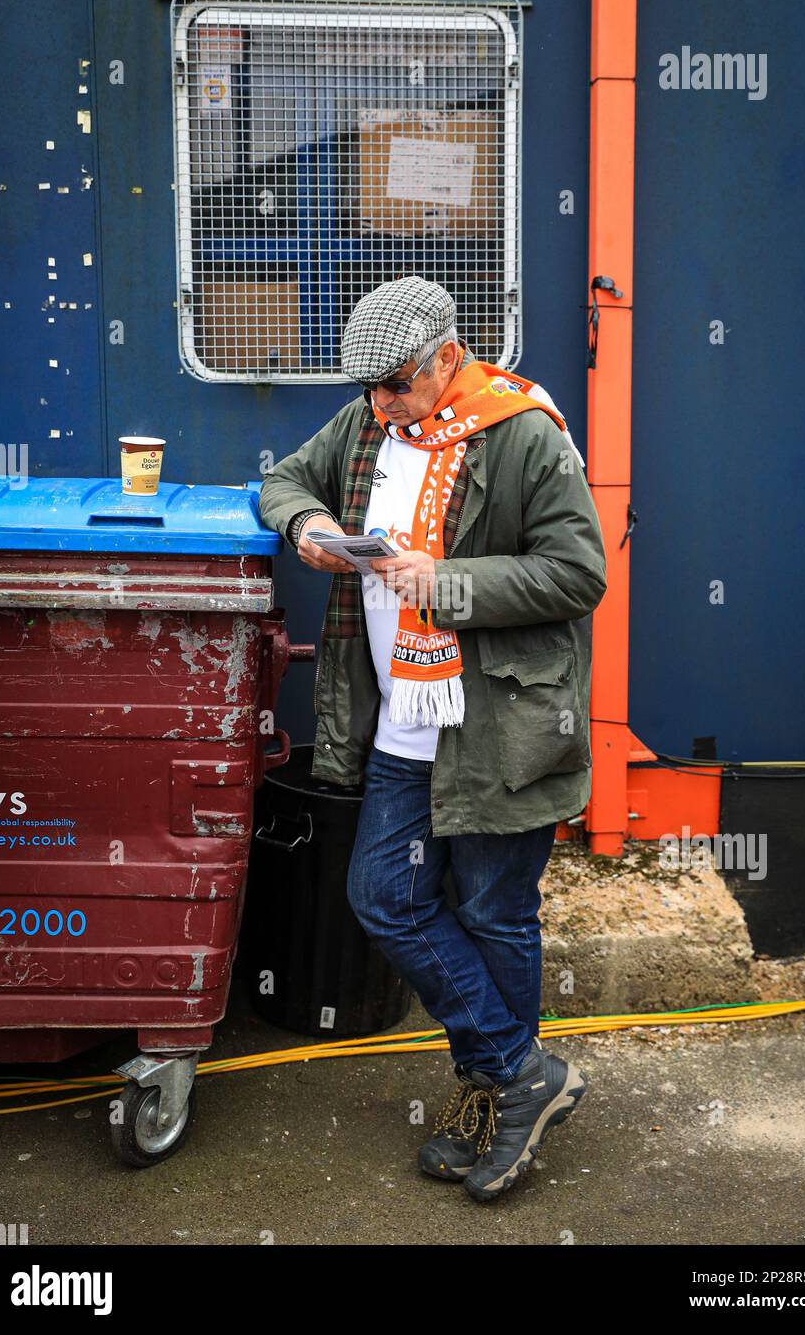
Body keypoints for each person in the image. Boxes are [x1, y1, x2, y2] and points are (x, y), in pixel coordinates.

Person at [258, 276, 606, 1202]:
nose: (379, 404)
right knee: (384, 896)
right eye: (368, 387)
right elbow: (281, 478)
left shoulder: (523, 432)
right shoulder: (370, 426)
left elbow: (576, 573)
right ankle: (517, 1074)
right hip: (401, 720)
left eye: (396, 384)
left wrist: (445, 582)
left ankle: (491, 1097)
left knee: (494, 914)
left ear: (448, 358)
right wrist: (311, 525)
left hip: (496, 722)